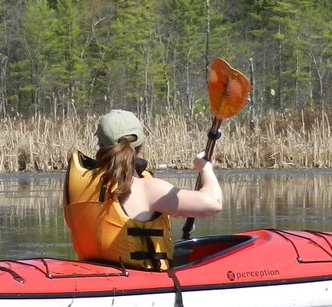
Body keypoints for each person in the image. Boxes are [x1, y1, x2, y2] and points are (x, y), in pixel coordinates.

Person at [63, 108, 222, 270]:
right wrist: (205, 169)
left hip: (94, 275)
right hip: (143, 282)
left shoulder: (82, 185)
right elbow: (214, 204)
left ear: (100, 146)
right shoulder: (149, 189)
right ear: (141, 147)